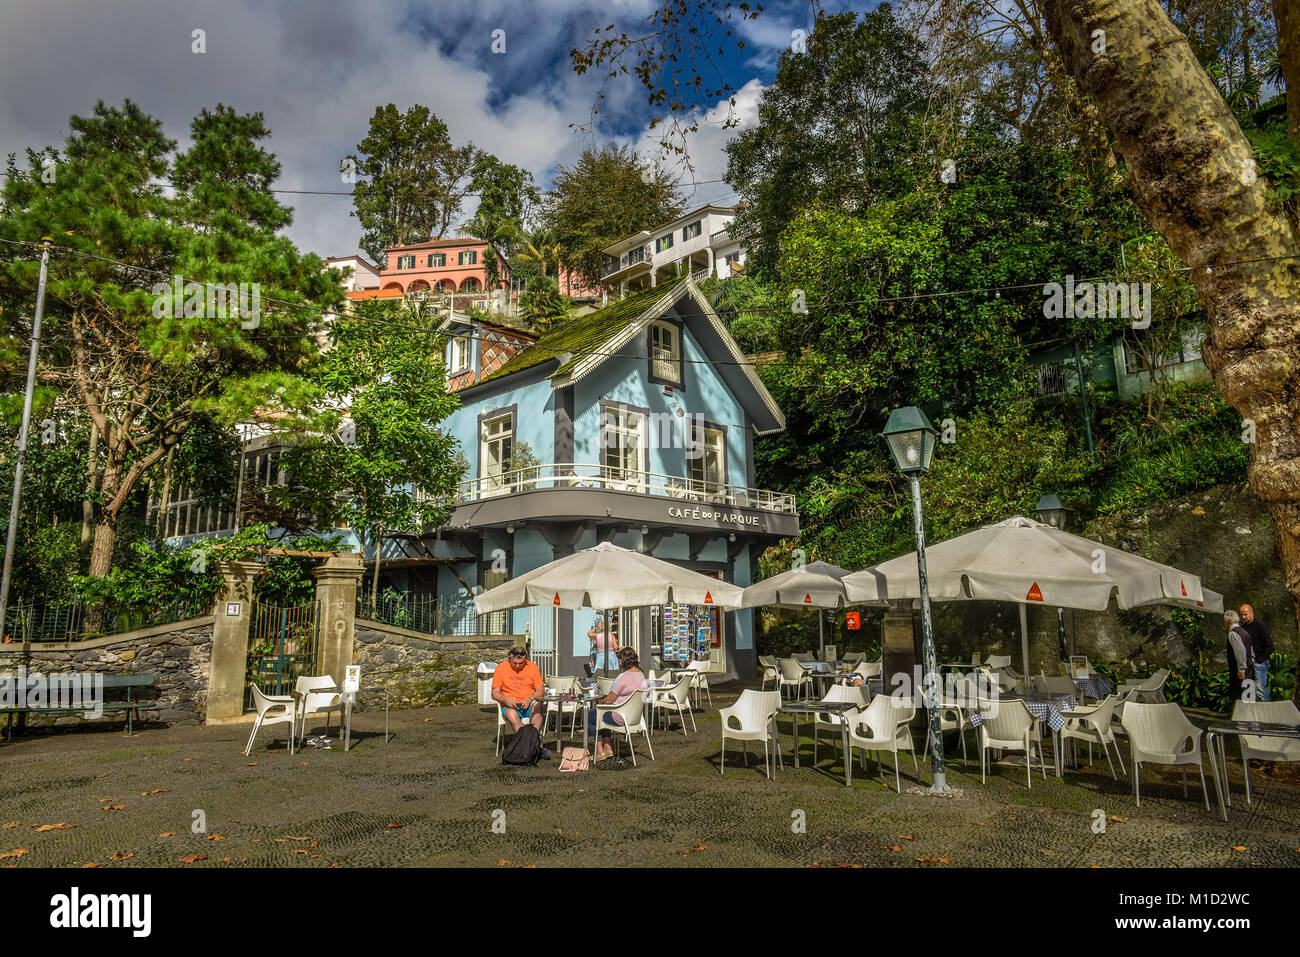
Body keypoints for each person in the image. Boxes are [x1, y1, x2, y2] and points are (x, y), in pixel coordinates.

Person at [588, 646, 648, 761]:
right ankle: (608, 748)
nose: (618, 662)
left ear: (625, 661)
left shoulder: (623, 677)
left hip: (620, 717)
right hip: (636, 717)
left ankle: (599, 751)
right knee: (602, 713)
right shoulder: (641, 675)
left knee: (592, 715)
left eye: (619, 659)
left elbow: (609, 699)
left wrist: (600, 703)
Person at [492, 645, 546, 736]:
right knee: (512, 714)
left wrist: (530, 699)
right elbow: (494, 693)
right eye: (514, 663)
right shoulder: (501, 668)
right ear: (509, 659)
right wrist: (505, 699)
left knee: (538, 705)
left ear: (526, 659)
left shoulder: (532, 666)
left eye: (521, 663)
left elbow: (541, 691)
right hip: (510, 706)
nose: (517, 666)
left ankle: (530, 739)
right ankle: (531, 740)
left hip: (530, 703)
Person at [1239, 604, 1274, 701]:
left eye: (1245, 614)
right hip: (1248, 663)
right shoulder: (1243, 627)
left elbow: (1270, 646)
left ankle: (1267, 712)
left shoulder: (1260, 626)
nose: (1243, 617)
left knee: (1260, 689)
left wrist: (1260, 659)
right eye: (1242, 615)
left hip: (1259, 662)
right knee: (1248, 689)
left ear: (1251, 612)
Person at [1224, 610, 1255, 706]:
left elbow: (1240, 652)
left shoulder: (1233, 633)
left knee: (1239, 696)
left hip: (1240, 671)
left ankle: (1242, 718)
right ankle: (1250, 717)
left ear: (1227, 621)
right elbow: (1250, 650)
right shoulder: (1244, 632)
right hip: (1249, 667)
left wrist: (1241, 669)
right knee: (1248, 695)